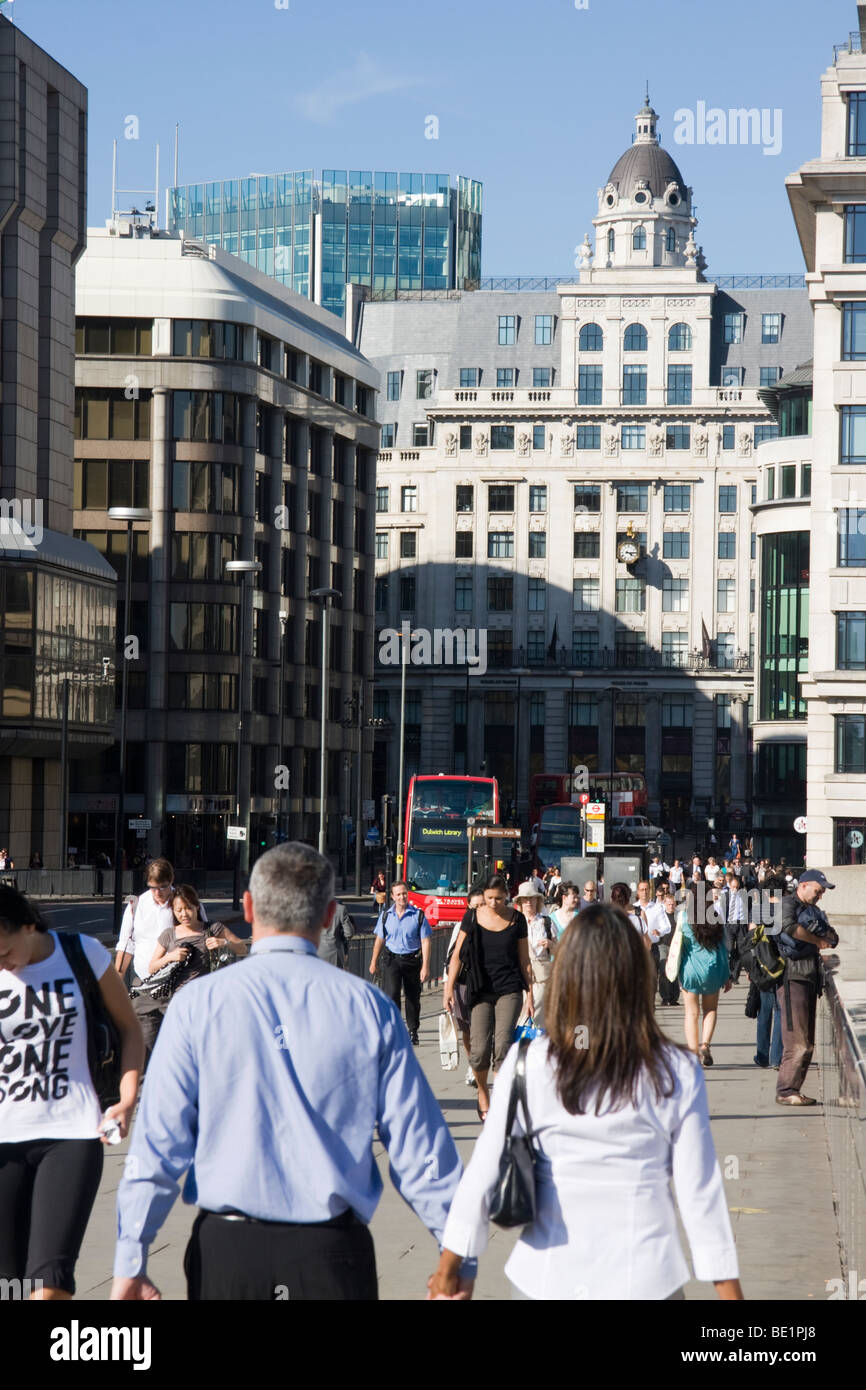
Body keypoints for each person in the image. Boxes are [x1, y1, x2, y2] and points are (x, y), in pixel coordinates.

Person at [110, 843, 475, 1302]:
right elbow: (421, 1149)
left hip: (228, 1249)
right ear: (329, 916)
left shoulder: (196, 1006)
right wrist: (458, 1256)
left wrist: (130, 1259)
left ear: (247, 907)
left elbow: (158, 1145)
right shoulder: (369, 1009)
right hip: (331, 1251)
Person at [428, 904, 743, 1301]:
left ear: (567, 978)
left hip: (544, 1278)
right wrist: (730, 1292)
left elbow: (483, 1173)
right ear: (635, 978)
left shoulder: (529, 1064)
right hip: (645, 1280)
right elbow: (700, 1193)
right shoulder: (677, 1071)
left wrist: (450, 1268)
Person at [0, 886, 143, 1301]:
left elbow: (130, 1028)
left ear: (28, 926)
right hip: (4, 1139)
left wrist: (128, 1097)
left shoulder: (84, 954)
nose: (3, 964)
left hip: (72, 1133)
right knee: (10, 1284)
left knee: (50, 1281)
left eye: (5, 951)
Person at [442, 874, 532, 1123]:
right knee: (479, 1050)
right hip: (480, 989)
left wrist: (531, 993)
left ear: (507, 896)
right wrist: (448, 989)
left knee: (502, 1046)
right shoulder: (472, 917)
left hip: (509, 988)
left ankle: (501, 1098)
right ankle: (483, 1091)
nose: (494, 903)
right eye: (490, 898)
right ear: (484, 895)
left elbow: (524, 960)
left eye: (499, 898)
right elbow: (457, 955)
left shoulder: (517, 919)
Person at [114, 858, 193, 1057]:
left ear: (171, 880)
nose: (157, 893)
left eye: (163, 887)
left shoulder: (184, 904)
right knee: (146, 1050)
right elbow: (126, 945)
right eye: (152, 887)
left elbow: (201, 934)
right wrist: (115, 986)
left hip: (178, 984)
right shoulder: (136, 906)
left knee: (180, 1050)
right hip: (145, 985)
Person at [775, 871, 839, 1107]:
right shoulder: (787, 904)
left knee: (807, 1042)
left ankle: (793, 1089)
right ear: (802, 886)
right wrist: (817, 939)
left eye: (822, 892)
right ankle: (786, 1090)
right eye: (818, 890)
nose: (820, 895)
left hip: (808, 976)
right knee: (797, 1041)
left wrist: (823, 936)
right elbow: (789, 929)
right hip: (792, 978)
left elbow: (833, 937)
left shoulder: (813, 911)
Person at [147, 885, 245, 994]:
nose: (184, 914)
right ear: (173, 911)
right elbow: (151, 968)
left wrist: (224, 942)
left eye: (188, 908)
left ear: (197, 907)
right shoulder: (169, 934)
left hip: (209, 995)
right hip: (180, 998)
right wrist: (170, 957)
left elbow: (242, 948)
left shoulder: (213, 928)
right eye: (179, 910)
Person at [369, 882, 431, 1046]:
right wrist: (373, 961)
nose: (402, 897)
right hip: (392, 960)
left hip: (412, 960)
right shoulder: (386, 916)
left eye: (404, 893)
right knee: (392, 994)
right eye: (398, 894)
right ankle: (395, 1030)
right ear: (392, 897)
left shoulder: (418, 915)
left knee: (412, 997)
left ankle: (412, 1030)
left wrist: (425, 965)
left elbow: (425, 941)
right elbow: (380, 939)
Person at [676, 893, 732, 1066]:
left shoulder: (684, 918)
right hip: (713, 970)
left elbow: (677, 945)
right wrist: (727, 975)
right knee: (710, 1009)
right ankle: (705, 1044)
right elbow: (724, 948)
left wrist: (675, 972)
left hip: (690, 970)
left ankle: (693, 1053)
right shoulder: (716, 919)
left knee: (691, 1013)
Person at [445, 888, 484, 1087]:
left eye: (482, 905)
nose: (479, 910)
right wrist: (447, 989)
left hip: (485, 985)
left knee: (483, 1031)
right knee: (468, 1032)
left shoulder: (492, 925)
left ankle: (481, 1065)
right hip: (463, 985)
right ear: (469, 906)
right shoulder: (461, 926)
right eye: (475, 906)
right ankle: (473, 1066)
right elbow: (453, 957)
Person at [513, 881, 555, 1030]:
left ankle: (536, 1048)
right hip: (519, 977)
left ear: (538, 900)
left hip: (541, 978)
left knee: (538, 1018)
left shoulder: (546, 922)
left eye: (532, 898)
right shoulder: (514, 922)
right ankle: (519, 1048)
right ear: (520, 902)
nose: (529, 902)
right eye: (525, 898)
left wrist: (550, 945)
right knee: (520, 1018)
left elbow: (558, 950)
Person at [318, 900, 355, 970]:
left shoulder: (312, 908)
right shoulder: (340, 909)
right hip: (335, 952)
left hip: (317, 951)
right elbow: (349, 933)